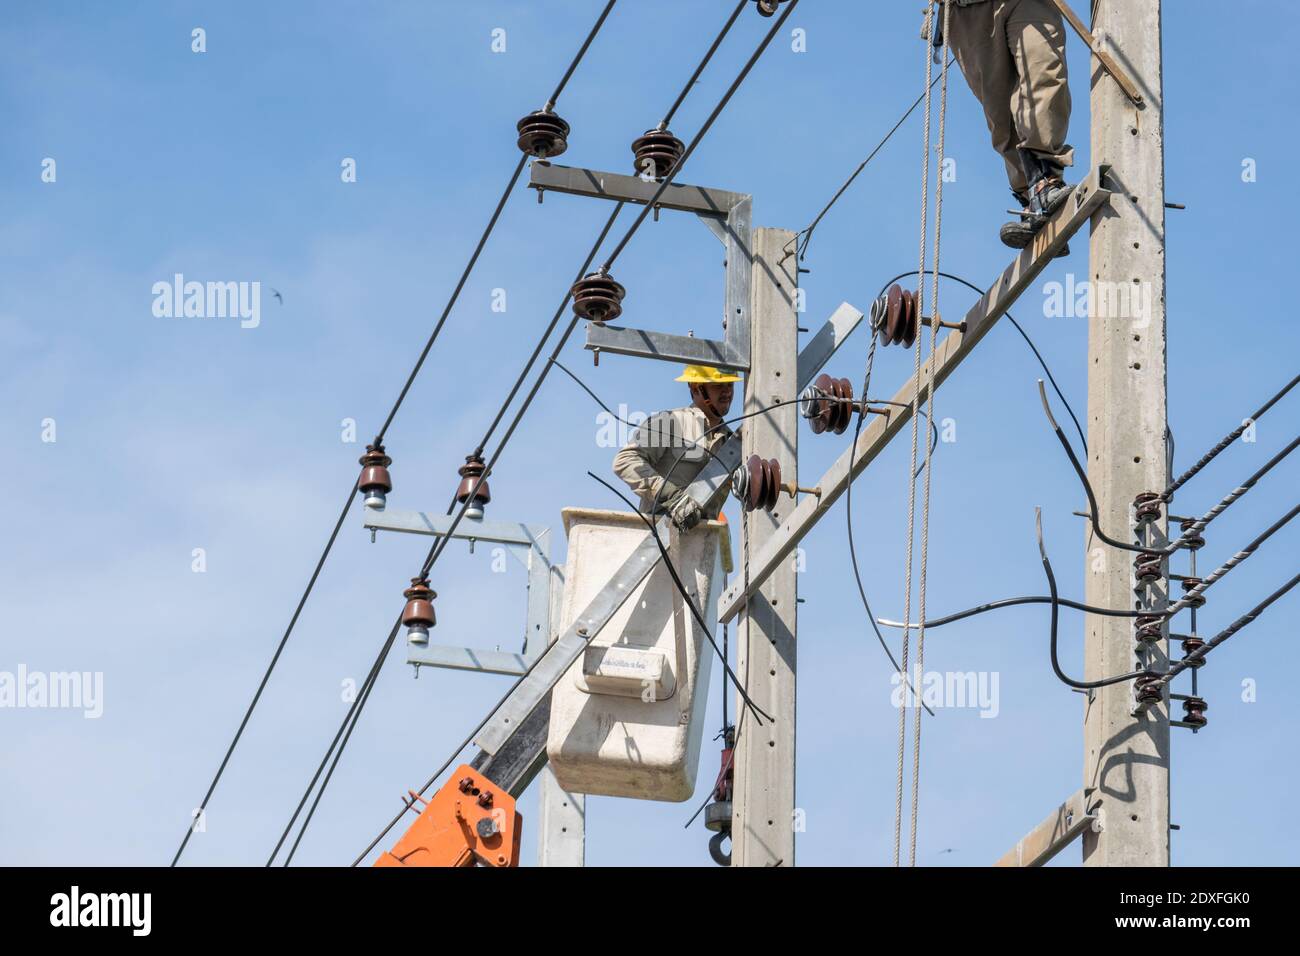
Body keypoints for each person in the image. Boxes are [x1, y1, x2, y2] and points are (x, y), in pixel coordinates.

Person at [927, 0, 1075, 249]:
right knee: (1000, 114)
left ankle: (1044, 179)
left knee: (1042, 73)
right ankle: (1030, 195)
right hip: (968, 10)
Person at [612, 364, 740, 531]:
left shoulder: (732, 444)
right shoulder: (670, 421)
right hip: (658, 534)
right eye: (718, 385)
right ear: (696, 388)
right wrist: (669, 494)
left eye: (730, 385)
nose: (727, 392)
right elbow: (625, 461)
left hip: (701, 540)